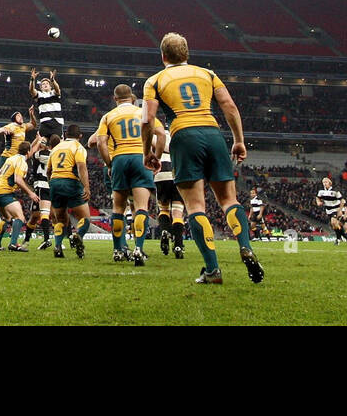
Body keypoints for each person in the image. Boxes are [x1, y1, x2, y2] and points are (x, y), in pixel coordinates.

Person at [141, 32, 264, 286]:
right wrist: (238, 140)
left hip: (184, 136)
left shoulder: (154, 80)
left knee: (196, 207)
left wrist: (147, 152)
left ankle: (213, 269)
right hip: (213, 132)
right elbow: (229, 106)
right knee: (229, 200)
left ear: (163, 56)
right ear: (187, 55)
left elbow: (147, 120)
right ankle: (246, 247)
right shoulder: (207, 74)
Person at [95, 84, 156, 266]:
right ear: (131, 97)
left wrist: (109, 163)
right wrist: (149, 154)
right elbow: (154, 132)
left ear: (115, 99)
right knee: (141, 206)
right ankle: (138, 249)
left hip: (120, 158)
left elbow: (100, 143)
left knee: (118, 208)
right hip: (140, 156)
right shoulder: (141, 112)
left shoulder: (108, 116)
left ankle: (117, 250)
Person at [47, 128, 93, 259]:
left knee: (60, 219)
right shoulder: (78, 147)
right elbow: (81, 167)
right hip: (71, 182)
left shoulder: (55, 148)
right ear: (80, 135)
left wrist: (52, 184)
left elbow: (48, 171)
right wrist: (86, 187)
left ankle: (58, 246)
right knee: (85, 218)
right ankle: (78, 235)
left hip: (55, 182)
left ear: (66, 135)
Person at [0, 141, 39, 252]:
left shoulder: (11, 158)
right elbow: (18, 179)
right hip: (4, 192)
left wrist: (37, 141)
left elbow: (0, 172)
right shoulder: (22, 162)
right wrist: (30, 193)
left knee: (6, 218)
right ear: (27, 152)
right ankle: (13, 244)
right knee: (20, 217)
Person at [152, 116, 186, 259]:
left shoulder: (156, 136)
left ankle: (165, 230)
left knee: (163, 209)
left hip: (161, 172)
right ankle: (178, 244)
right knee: (178, 213)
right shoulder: (180, 135)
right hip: (178, 172)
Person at [30, 70, 65, 139]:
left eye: (47, 83)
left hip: (57, 122)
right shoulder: (39, 95)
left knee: (58, 143)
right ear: (41, 88)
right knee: (41, 143)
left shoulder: (54, 93)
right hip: (45, 123)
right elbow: (31, 90)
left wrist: (52, 80)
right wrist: (32, 80)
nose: (45, 84)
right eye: (43, 84)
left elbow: (57, 89)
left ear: (50, 86)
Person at [316, 176, 347, 245]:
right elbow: (317, 198)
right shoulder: (321, 192)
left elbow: (342, 200)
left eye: (326, 182)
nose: (324, 183)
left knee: (334, 222)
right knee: (334, 226)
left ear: (330, 183)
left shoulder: (335, 191)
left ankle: (340, 239)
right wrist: (318, 202)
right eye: (323, 182)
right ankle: (344, 238)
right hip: (329, 210)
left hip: (336, 209)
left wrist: (340, 210)